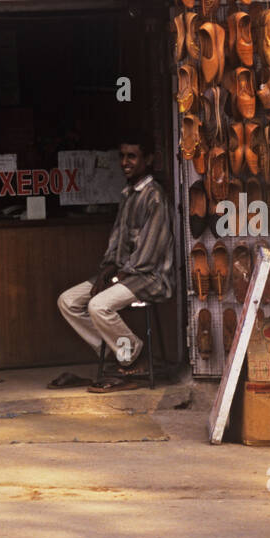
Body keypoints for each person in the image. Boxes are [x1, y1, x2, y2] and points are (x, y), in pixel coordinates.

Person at [57, 132, 174, 386]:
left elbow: (149, 253)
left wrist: (117, 277)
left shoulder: (154, 196)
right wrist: (106, 271)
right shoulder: (128, 193)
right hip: (123, 272)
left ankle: (133, 355)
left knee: (98, 305)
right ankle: (119, 353)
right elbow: (117, 240)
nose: (124, 162)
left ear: (148, 159)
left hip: (149, 277)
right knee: (67, 301)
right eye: (122, 156)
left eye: (132, 156)